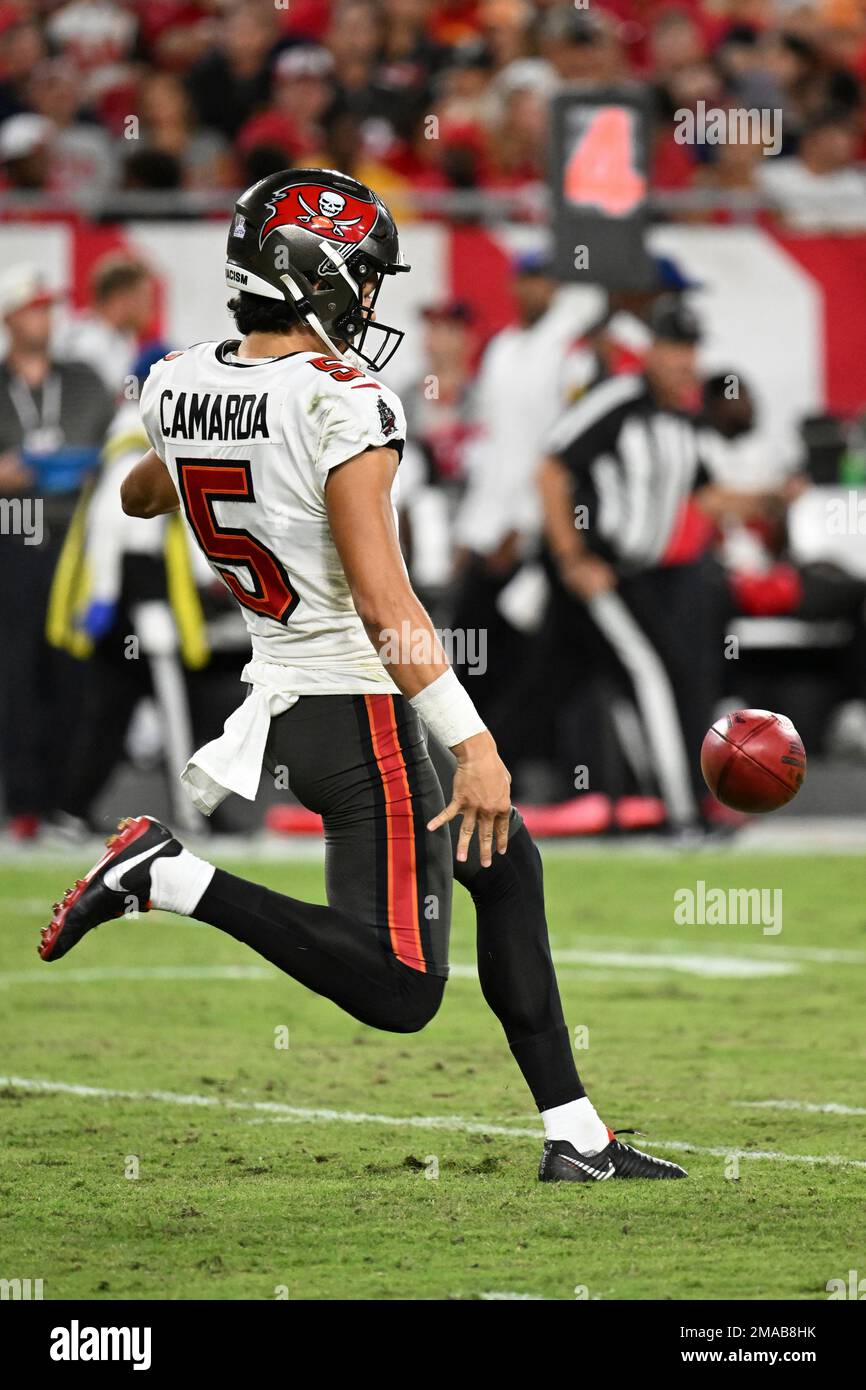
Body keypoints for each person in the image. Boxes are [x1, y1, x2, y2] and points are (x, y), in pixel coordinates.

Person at [38, 168, 684, 1184]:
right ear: (316, 274)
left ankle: (578, 1136)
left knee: (506, 867)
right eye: (365, 275)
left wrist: (213, 445)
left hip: (301, 697)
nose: (373, 297)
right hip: (357, 708)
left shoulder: (176, 381)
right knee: (401, 989)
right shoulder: (342, 402)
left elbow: (138, 493)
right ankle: (168, 875)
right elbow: (387, 608)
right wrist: (475, 742)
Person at [537, 297, 778, 830]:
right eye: (673, 347)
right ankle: (682, 811)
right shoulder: (619, 400)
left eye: (691, 348)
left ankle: (666, 800)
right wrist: (573, 556)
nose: (685, 361)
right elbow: (552, 469)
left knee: (648, 679)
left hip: (637, 577)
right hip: (595, 569)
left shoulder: (684, 420)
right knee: (651, 675)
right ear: (650, 353)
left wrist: (769, 499)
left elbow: (704, 496)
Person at [0, 265, 114, 838]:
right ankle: (24, 803)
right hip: (14, 537)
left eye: (49, 307)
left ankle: (63, 803)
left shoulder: (85, 380)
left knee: (75, 671)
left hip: (78, 543)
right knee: (17, 672)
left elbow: (113, 446)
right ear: (10, 318)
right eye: (34, 308)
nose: (45, 318)